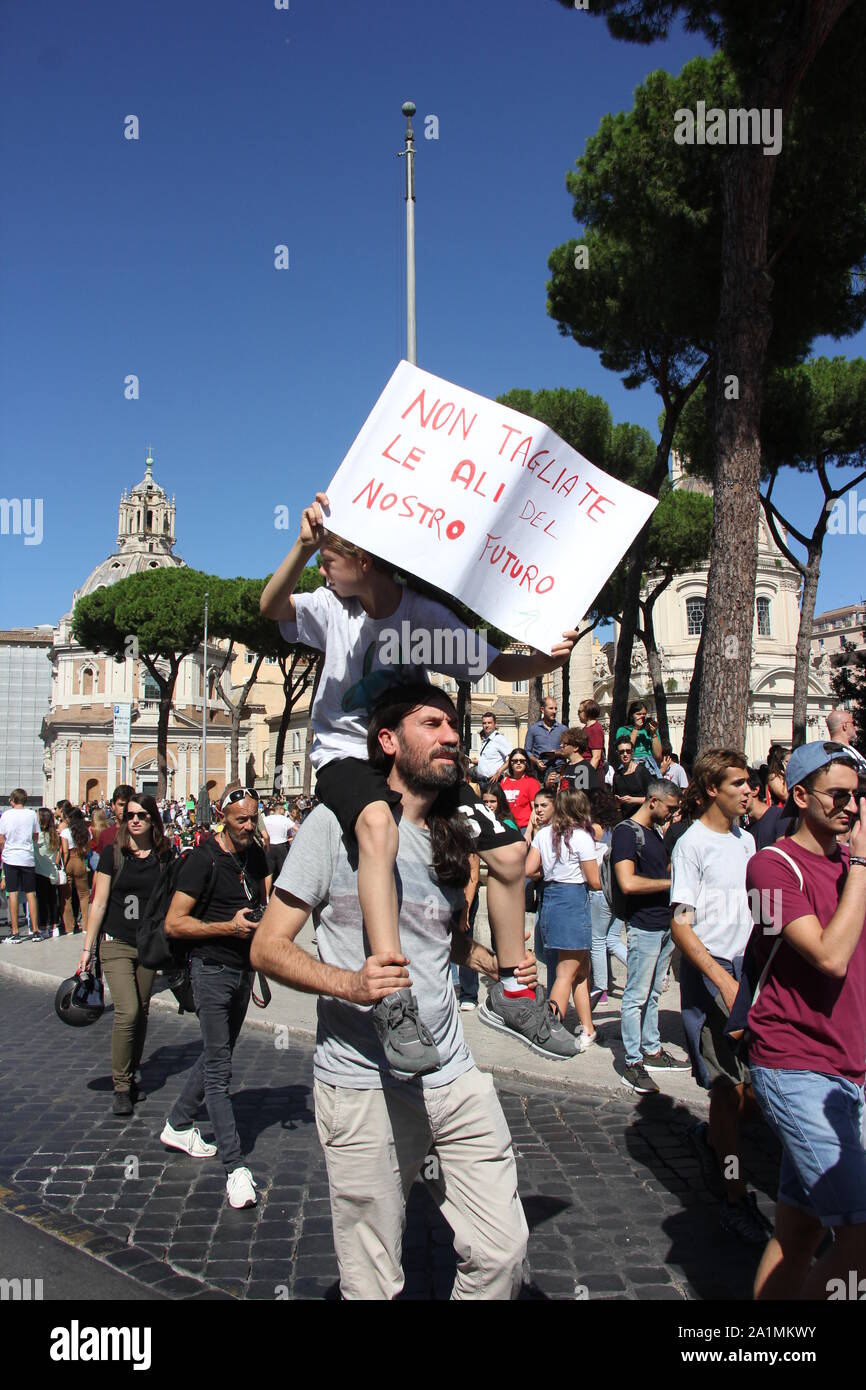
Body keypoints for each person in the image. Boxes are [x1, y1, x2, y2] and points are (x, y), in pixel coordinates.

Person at [260, 492, 574, 1072]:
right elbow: (271, 605)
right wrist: (302, 547)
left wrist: (549, 660)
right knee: (378, 823)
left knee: (510, 854)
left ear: (368, 560)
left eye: (332, 555)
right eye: (322, 555)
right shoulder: (332, 609)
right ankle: (394, 999)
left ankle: (512, 991)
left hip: (409, 756)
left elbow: (499, 665)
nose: (324, 565)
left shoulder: (423, 618)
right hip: (346, 756)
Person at [250, 684, 533, 1299]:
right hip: (361, 1084)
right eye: (431, 723)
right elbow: (267, 947)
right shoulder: (333, 826)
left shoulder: (451, 832)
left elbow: (437, 941)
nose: (451, 735)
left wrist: (492, 963)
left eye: (454, 724)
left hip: (453, 1075)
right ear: (388, 741)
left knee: (503, 1253)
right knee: (374, 1281)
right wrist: (350, 983)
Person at [745, 741, 866, 1299]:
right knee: (860, 1242)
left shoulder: (851, 866)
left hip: (852, 1066)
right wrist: (862, 867)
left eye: (857, 796)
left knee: (800, 1231)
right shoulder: (770, 866)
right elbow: (829, 956)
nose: (851, 807)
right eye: (838, 795)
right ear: (799, 796)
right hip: (797, 1065)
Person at [670, 750, 771, 1246]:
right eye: (739, 783)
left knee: (758, 1092)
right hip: (712, 971)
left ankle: (711, 1140)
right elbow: (681, 924)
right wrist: (721, 979)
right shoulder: (691, 844)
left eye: (749, 782)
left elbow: (758, 909)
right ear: (713, 788)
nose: (748, 790)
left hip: (748, 971)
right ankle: (734, 1195)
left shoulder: (747, 839)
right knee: (727, 1092)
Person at [160, 785, 269, 1209]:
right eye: (241, 819)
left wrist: (260, 959)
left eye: (253, 818)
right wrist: (228, 929)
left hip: (243, 973)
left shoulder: (254, 854)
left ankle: (178, 1122)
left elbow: (262, 904)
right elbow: (175, 924)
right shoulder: (202, 860)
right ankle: (235, 1168)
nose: (249, 826)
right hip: (210, 972)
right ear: (224, 816)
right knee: (220, 1071)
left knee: (214, 1054)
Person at [76, 796, 173, 1116]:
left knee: (142, 1011)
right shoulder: (112, 854)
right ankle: (121, 1084)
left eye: (142, 815)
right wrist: (87, 950)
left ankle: (131, 1075)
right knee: (127, 1010)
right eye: (130, 815)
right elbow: (98, 902)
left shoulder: (164, 855)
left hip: (148, 945)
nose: (135, 820)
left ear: (153, 820)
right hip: (115, 943)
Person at [611, 779, 683, 1093]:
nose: (672, 814)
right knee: (636, 997)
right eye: (669, 808)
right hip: (644, 925)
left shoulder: (653, 832)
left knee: (653, 993)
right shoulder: (627, 833)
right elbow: (627, 882)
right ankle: (632, 1062)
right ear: (653, 801)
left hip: (664, 923)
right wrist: (673, 883)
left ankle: (651, 1050)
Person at [526, 788, 601, 1053]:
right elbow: (594, 880)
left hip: (551, 898)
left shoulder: (544, 834)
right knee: (565, 974)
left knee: (580, 971)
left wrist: (550, 869)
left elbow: (528, 869)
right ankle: (549, 1032)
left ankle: (588, 1028)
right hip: (572, 900)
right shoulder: (581, 837)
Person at [587, 787, 627, 1005]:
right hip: (616, 891)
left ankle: (600, 988)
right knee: (612, 939)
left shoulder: (592, 830)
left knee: (598, 941)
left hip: (599, 890)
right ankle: (644, 973)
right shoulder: (617, 828)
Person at [0, 789, 40, 942]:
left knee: (13, 893)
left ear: (12, 800)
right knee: (31, 893)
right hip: (27, 857)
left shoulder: (6, 815)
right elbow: (35, 836)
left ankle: (15, 931)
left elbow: (2, 839)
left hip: (11, 857)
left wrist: (4, 851)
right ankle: (35, 931)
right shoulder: (31, 814)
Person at [59, 805, 91, 935]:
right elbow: (88, 849)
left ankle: (69, 927)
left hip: (69, 861)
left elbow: (65, 851)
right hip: (80, 860)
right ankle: (85, 925)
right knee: (84, 895)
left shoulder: (65, 832)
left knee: (66, 896)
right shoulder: (86, 831)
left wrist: (63, 866)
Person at [524, 696, 568, 782]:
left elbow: (570, 751)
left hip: (559, 769)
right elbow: (527, 751)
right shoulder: (533, 729)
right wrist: (536, 761)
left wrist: (557, 753)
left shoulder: (563, 729)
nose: (554, 711)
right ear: (543, 710)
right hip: (540, 771)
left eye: (556, 709)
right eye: (551, 708)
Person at [34, 809, 61, 937]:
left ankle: (44, 926)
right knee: (53, 900)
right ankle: (55, 926)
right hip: (52, 871)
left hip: (40, 871)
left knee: (42, 902)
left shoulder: (39, 836)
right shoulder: (55, 834)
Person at [499, 750, 541, 831]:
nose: (518, 763)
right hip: (507, 825)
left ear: (526, 763)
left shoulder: (532, 782)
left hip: (524, 827)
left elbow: (535, 809)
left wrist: (528, 832)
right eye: (515, 761)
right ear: (510, 763)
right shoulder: (504, 781)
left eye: (522, 761)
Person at [471, 711, 511, 791]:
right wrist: (478, 762)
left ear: (494, 724)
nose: (486, 725)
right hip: (481, 782)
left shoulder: (499, 738)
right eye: (484, 723)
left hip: (493, 782)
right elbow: (491, 760)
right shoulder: (486, 740)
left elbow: (512, 757)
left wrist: (499, 771)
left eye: (489, 723)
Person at [615, 701, 662, 768]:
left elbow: (658, 756)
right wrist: (636, 728)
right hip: (632, 762)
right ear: (632, 715)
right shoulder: (623, 730)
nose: (641, 716)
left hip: (648, 763)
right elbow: (627, 747)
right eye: (638, 714)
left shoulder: (650, 729)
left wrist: (654, 734)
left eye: (644, 714)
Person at [612, 738, 650, 819]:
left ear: (632, 752)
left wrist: (633, 800)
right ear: (617, 753)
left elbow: (652, 798)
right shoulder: (617, 775)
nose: (625, 754)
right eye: (622, 752)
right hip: (625, 819)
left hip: (642, 818)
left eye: (628, 751)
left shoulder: (641, 771)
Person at [559, 727, 603, 794]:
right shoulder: (566, 766)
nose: (561, 746)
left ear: (575, 747)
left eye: (565, 744)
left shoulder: (584, 769)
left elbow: (587, 795)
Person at [263, 800, 291, 879]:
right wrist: (291, 838)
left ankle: (266, 891)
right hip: (281, 846)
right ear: (279, 809)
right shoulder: (284, 819)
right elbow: (296, 829)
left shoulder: (266, 819)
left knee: (268, 872)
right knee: (283, 871)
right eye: (283, 809)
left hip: (269, 845)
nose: (284, 811)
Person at [578, 699, 605, 771]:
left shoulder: (595, 729)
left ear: (587, 712)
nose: (578, 714)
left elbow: (596, 756)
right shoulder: (586, 728)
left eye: (580, 712)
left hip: (593, 771)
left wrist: (588, 774)